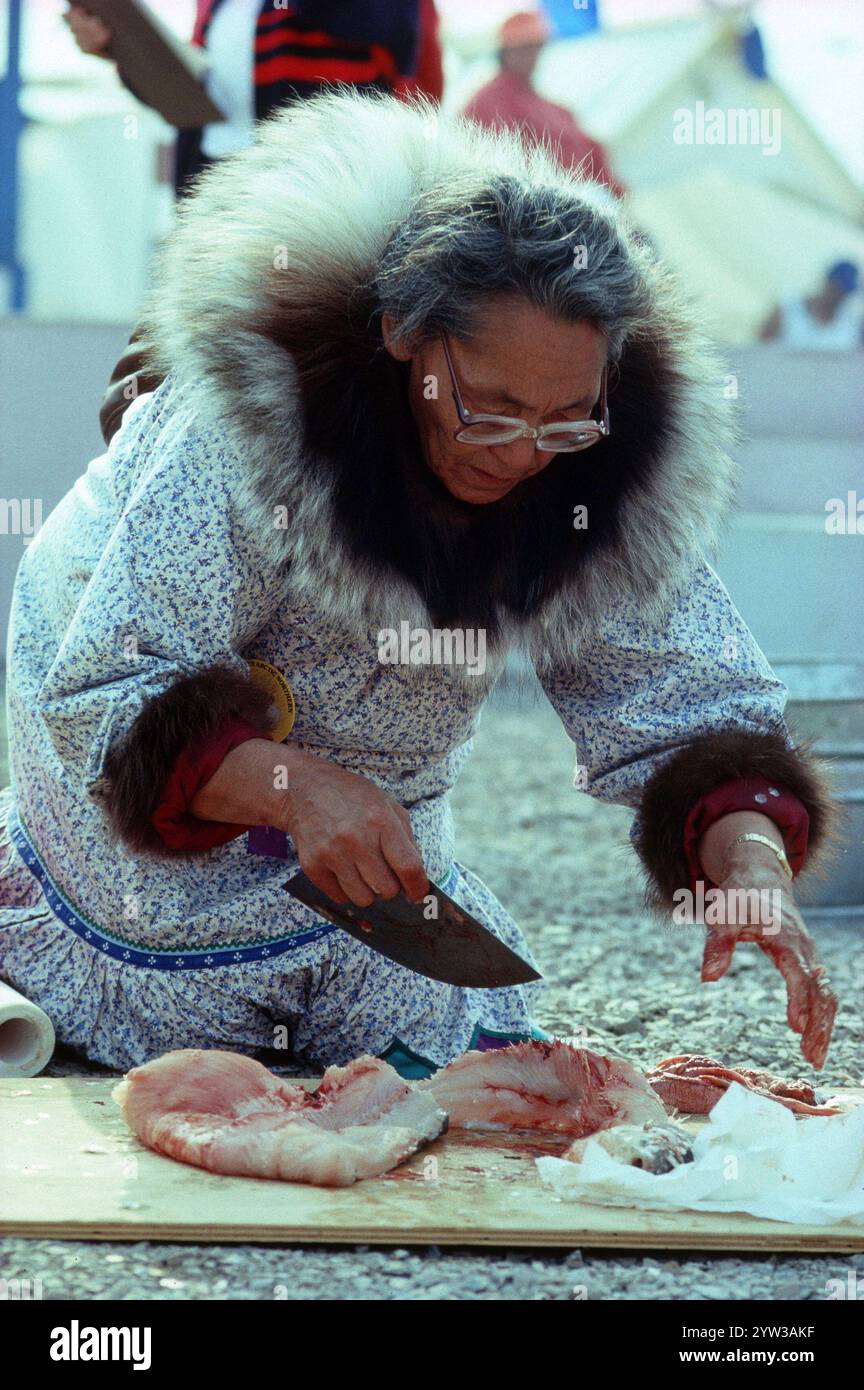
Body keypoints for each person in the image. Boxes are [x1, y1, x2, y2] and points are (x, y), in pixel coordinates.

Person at [0, 91, 838, 1082]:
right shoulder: (251, 418)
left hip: (378, 867)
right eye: (491, 408)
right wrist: (295, 784)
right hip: (140, 860)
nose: (527, 453)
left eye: (567, 418)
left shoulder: (603, 468)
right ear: (401, 332)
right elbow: (110, 691)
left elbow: (688, 707)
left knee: (462, 1080)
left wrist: (749, 863)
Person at [64, 1, 443, 197]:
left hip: (318, 196)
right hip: (219, 186)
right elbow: (201, 94)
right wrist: (123, 48)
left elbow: (393, 35)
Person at [462, 10, 623, 195]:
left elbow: (595, 155)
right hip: (531, 204)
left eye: (535, 47)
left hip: (578, 202)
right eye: (523, 47)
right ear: (505, 52)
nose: (531, 55)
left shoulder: (558, 110)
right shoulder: (486, 102)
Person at [759, 261, 863, 349]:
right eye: (837, 289)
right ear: (828, 282)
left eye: (845, 293)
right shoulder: (788, 309)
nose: (840, 297)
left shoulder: (851, 324)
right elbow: (760, 348)